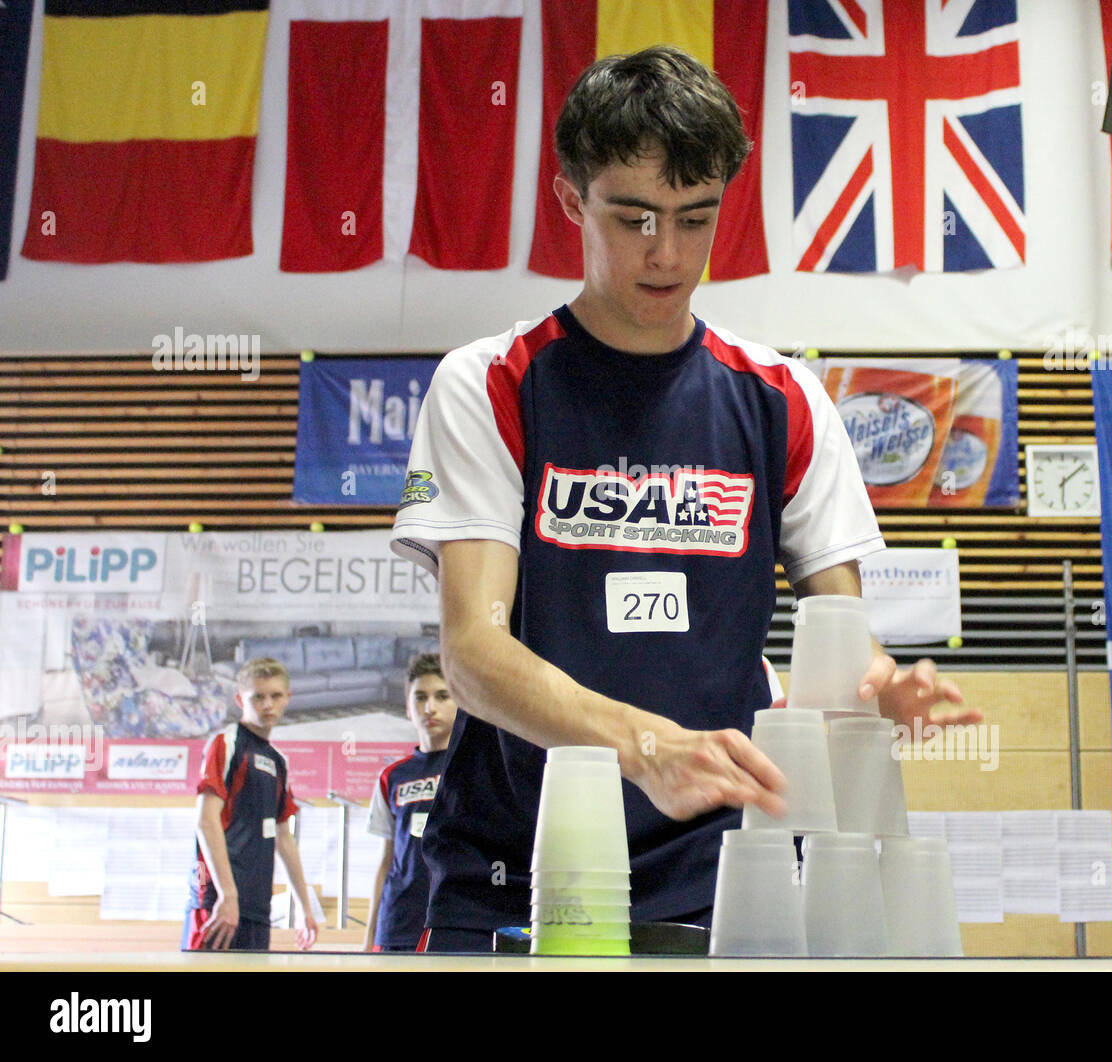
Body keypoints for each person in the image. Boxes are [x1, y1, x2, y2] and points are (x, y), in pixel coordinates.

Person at [390, 45, 980, 952]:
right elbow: (472, 652)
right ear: (570, 202)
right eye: (633, 218)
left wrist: (883, 684)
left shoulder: (783, 399)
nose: (666, 254)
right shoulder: (489, 386)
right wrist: (645, 747)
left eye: (694, 219)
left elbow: (841, 639)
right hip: (511, 878)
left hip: (721, 883)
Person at [182, 657, 319, 951]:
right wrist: (227, 895)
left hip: (257, 909)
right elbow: (206, 821)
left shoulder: (279, 762)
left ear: (287, 699)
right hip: (218, 903)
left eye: (275, 696)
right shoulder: (226, 743)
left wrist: (305, 907)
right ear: (239, 699)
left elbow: (284, 838)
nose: (267, 704)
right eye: (258, 696)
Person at [363, 653, 457, 952]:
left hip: (450, 922)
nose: (430, 707)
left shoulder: (471, 770)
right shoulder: (391, 777)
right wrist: (368, 939)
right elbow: (386, 859)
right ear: (408, 708)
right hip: (397, 926)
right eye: (420, 697)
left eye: (442, 696)